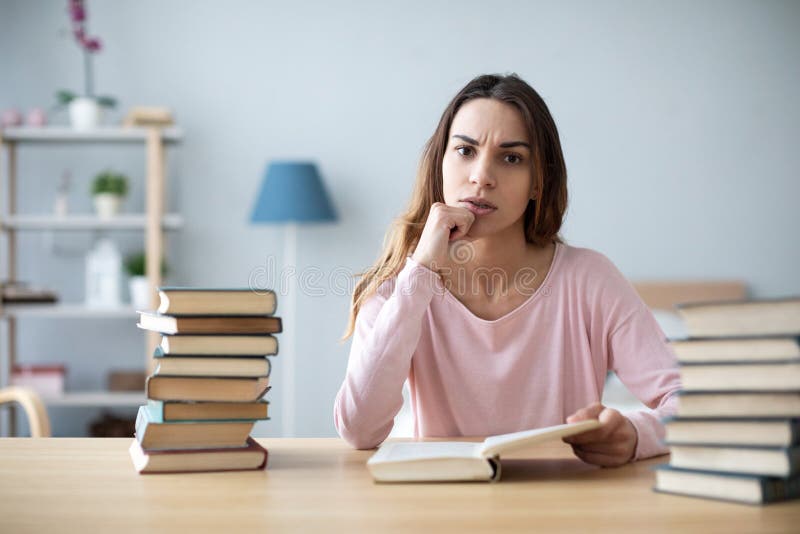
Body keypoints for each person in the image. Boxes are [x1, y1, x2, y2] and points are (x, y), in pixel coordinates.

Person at [334, 73, 681, 467]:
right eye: (465, 151)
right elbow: (359, 430)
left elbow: (690, 401)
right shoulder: (397, 291)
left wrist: (637, 433)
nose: (482, 176)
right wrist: (422, 272)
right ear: (440, 165)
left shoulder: (591, 280)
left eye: (511, 157)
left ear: (539, 182)